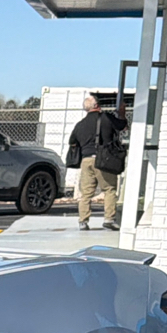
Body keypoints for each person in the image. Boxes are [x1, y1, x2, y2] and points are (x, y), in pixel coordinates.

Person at [68, 93, 127, 231]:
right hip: (103, 159)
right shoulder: (106, 118)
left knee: (86, 193)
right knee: (109, 189)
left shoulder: (80, 124)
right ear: (96, 106)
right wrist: (122, 114)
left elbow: (72, 142)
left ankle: (83, 221)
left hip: (86, 160)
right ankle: (109, 219)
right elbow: (122, 126)